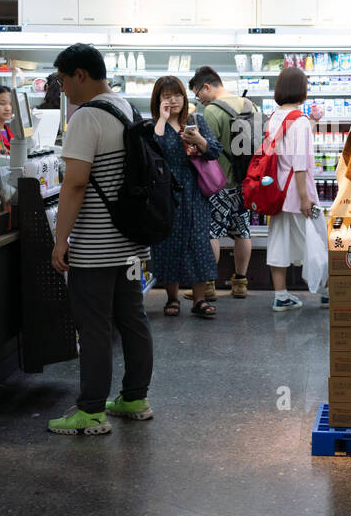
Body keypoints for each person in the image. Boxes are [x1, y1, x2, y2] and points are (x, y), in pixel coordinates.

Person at [48, 43, 154, 436]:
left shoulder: (86, 117)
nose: (62, 88)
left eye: (63, 79)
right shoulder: (126, 107)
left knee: (92, 327)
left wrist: (61, 240)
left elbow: (74, 184)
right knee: (132, 319)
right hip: (130, 242)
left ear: (80, 75)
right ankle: (134, 398)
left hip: (95, 243)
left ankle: (91, 411)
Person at [148, 76, 222, 318]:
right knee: (167, 244)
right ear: (158, 100)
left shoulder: (196, 121)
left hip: (194, 192)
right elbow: (153, 149)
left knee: (198, 243)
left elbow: (214, 151)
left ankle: (199, 299)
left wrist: (198, 140)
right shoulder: (154, 126)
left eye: (177, 94)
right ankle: (172, 298)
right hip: (165, 194)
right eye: (167, 96)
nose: (173, 100)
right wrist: (161, 118)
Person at [189, 66, 256, 300]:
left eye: (199, 94)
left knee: (212, 233)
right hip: (246, 182)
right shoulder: (250, 105)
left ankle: (208, 285)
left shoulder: (212, 112)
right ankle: (240, 283)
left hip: (218, 183)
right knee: (243, 231)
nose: (200, 100)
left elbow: (207, 149)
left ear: (207, 87)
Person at [264, 66, 325, 312]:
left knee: (278, 240)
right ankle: (327, 290)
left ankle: (280, 295)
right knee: (318, 237)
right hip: (297, 191)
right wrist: (304, 198)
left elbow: (284, 150)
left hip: (277, 191)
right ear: (301, 90)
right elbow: (300, 163)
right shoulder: (298, 121)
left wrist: (311, 122)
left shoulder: (274, 117)